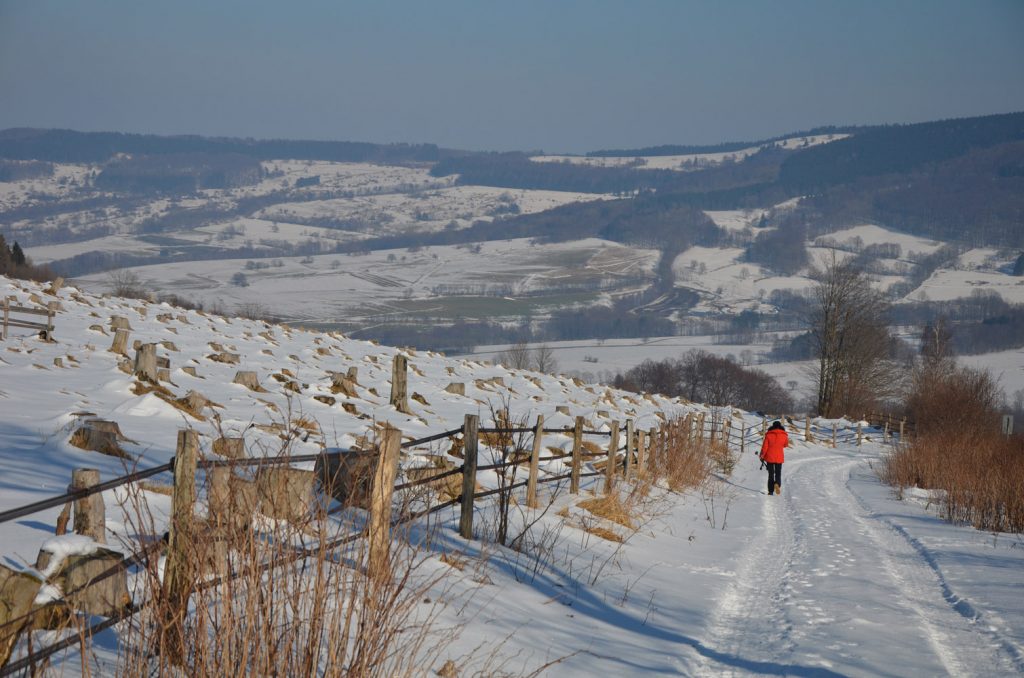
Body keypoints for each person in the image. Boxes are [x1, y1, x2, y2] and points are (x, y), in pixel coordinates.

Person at [760, 420, 788, 495]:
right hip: (779, 457)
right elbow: (785, 445)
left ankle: (770, 491)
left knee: (771, 474)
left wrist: (762, 455)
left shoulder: (768, 435)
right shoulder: (784, 435)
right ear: (780, 426)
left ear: (773, 426)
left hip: (770, 457)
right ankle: (777, 484)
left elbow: (765, 447)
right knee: (778, 473)